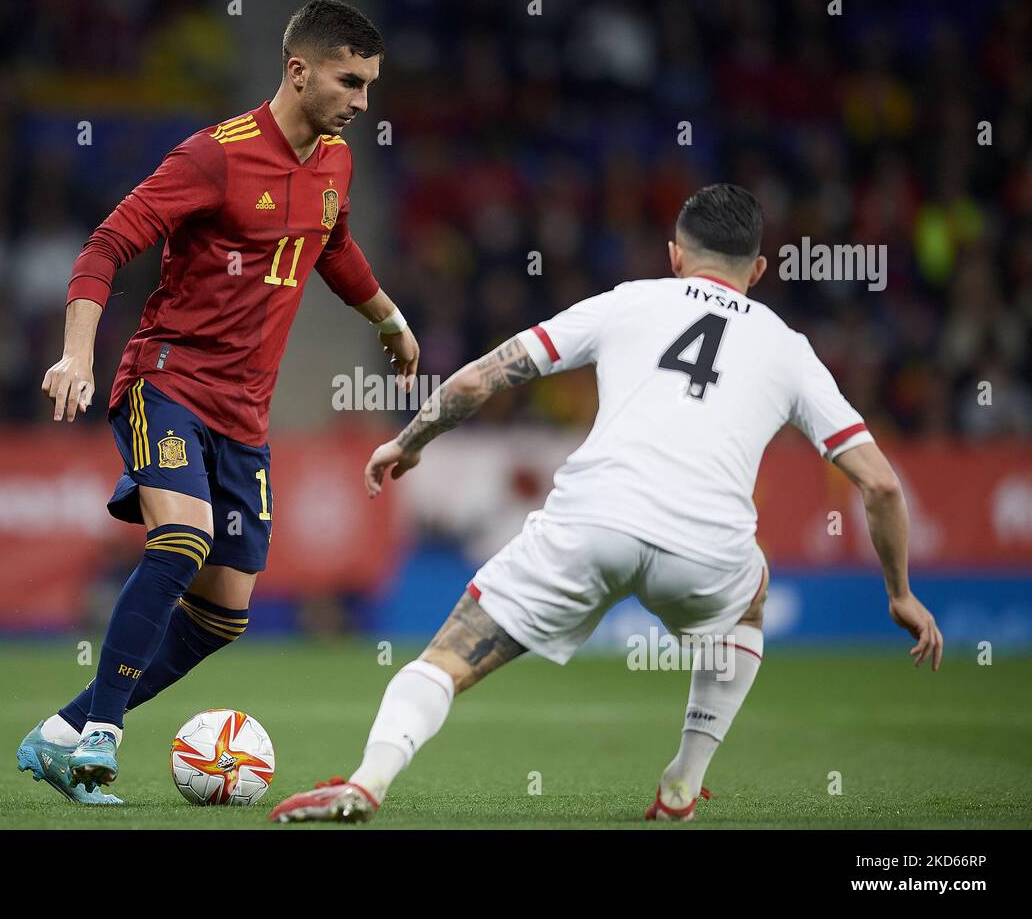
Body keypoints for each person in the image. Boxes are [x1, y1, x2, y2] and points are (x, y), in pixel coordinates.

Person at [269, 183, 942, 824]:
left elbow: (484, 375)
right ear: (759, 268)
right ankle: (683, 778)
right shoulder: (789, 349)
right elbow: (879, 485)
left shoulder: (628, 301)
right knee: (753, 596)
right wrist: (900, 593)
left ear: (675, 255)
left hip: (591, 525)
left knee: (444, 660)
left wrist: (409, 442)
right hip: (705, 552)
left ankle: (368, 780)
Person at [17, 0, 418, 804]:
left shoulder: (336, 162)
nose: (362, 103)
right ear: (297, 71)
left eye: (370, 86)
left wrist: (390, 319)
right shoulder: (215, 157)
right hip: (166, 379)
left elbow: (331, 244)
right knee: (183, 539)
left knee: (224, 615)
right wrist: (74, 353)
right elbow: (108, 244)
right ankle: (104, 737)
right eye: (350, 82)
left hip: (245, 413)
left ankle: (59, 734)